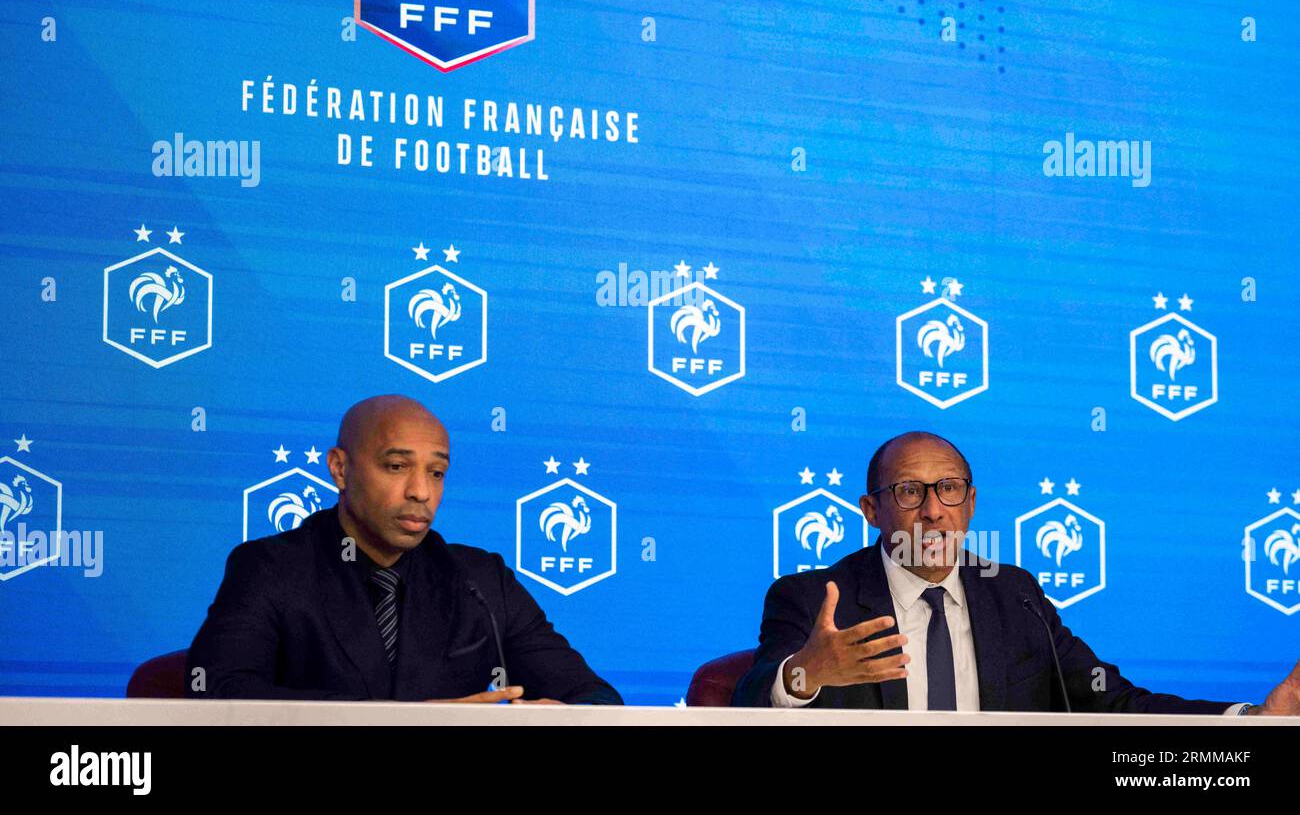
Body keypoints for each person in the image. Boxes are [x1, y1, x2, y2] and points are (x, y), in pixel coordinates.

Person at [733, 431, 1300, 714]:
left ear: (970, 503)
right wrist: (805, 673)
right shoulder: (811, 597)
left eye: (948, 489)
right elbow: (747, 705)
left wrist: (1248, 720)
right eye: (910, 491)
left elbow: (1110, 700)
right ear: (872, 510)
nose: (933, 510)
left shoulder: (1014, 595)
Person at [187, 394, 621, 704]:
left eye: (436, 473)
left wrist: (564, 716)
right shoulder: (272, 567)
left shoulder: (480, 580)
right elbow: (217, 688)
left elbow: (595, 694)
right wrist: (399, 724)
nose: (420, 492)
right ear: (340, 468)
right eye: (396, 467)